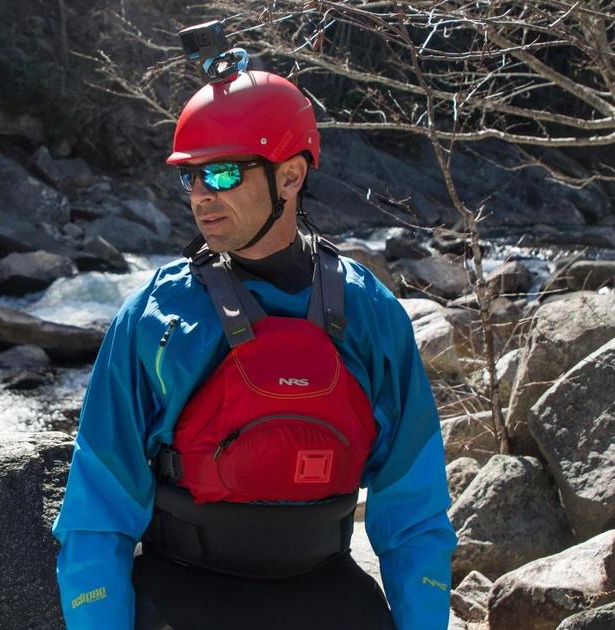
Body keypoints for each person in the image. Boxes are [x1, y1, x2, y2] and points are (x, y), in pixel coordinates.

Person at [52, 63, 456, 630]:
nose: (200, 195)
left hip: (326, 589)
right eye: (190, 176)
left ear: (289, 176)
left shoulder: (371, 311)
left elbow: (414, 509)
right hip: (182, 594)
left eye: (221, 173)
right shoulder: (155, 315)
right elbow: (97, 512)